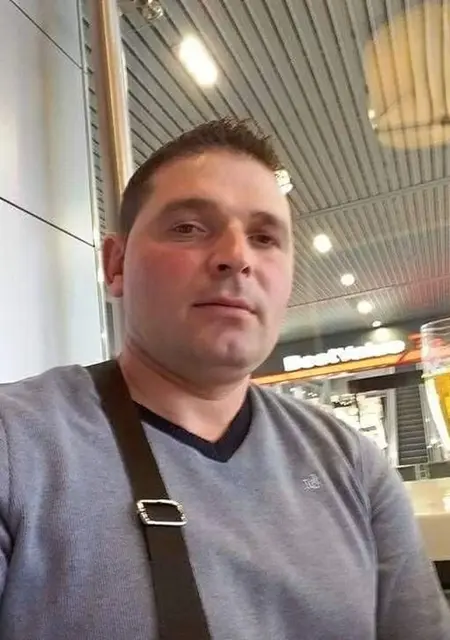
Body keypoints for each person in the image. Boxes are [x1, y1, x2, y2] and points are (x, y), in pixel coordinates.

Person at [0, 118, 448, 640]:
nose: (237, 257)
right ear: (116, 265)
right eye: (188, 228)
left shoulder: (351, 465)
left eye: (264, 237)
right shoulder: (18, 445)